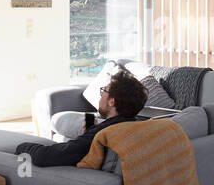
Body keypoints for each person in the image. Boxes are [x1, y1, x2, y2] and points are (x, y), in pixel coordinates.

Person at [16, 70, 150, 168]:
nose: (101, 95)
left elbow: (45, 157)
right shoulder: (139, 127)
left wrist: (22, 146)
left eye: (104, 91)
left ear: (111, 102)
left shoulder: (102, 134)